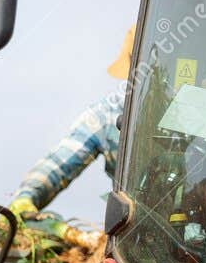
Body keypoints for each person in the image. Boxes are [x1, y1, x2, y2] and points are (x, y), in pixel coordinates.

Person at [9, 27, 134, 223]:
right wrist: (26, 197)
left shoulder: (190, 107)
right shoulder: (107, 115)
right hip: (137, 232)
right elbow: (59, 163)